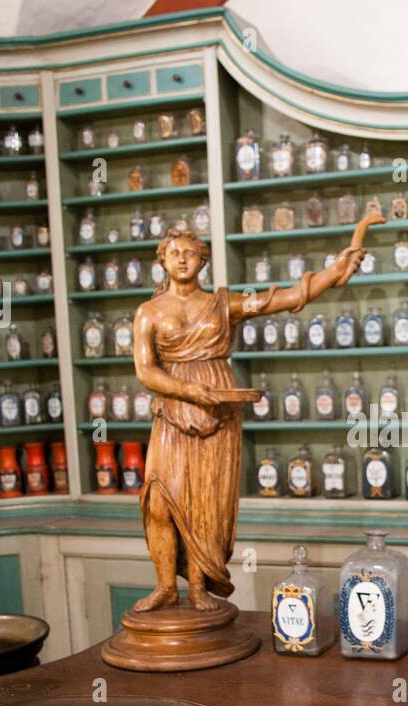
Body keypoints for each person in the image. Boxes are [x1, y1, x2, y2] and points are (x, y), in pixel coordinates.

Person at [130, 224, 367, 613]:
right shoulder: (149, 312)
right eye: (174, 253)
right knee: (160, 499)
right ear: (162, 261)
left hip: (219, 414)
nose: (182, 259)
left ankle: (198, 587)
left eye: (190, 253)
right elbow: (146, 371)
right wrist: (188, 391)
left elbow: (287, 298)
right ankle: (164, 587)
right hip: (174, 412)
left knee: (203, 505)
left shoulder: (226, 304)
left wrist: (334, 270)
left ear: (202, 260)